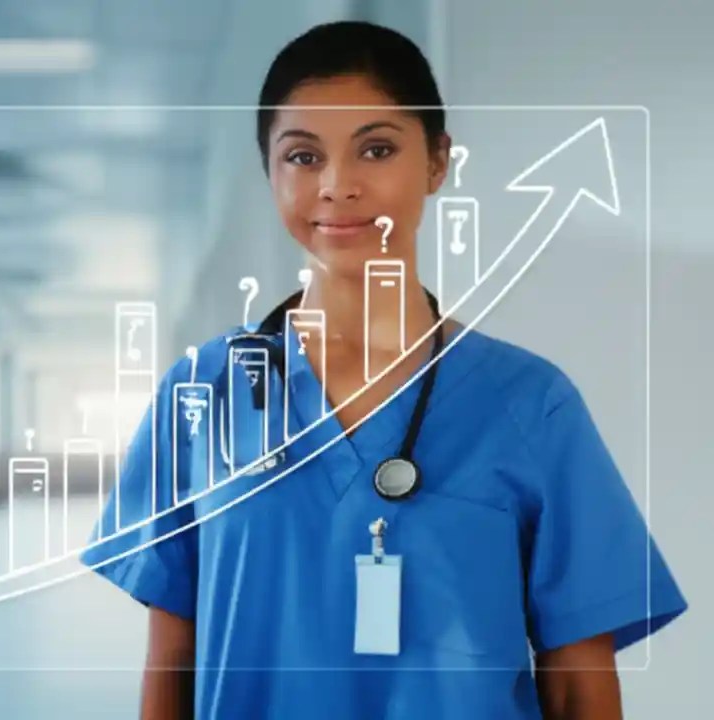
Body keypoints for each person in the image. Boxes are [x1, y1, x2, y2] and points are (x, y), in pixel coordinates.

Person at [80, 21, 686, 720]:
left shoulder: (529, 404)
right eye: (303, 157)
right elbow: (171, 662)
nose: (338, 186)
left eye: (376, 149)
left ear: (437, 161)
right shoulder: (203, 394)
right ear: (270, 174)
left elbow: (580, 684)